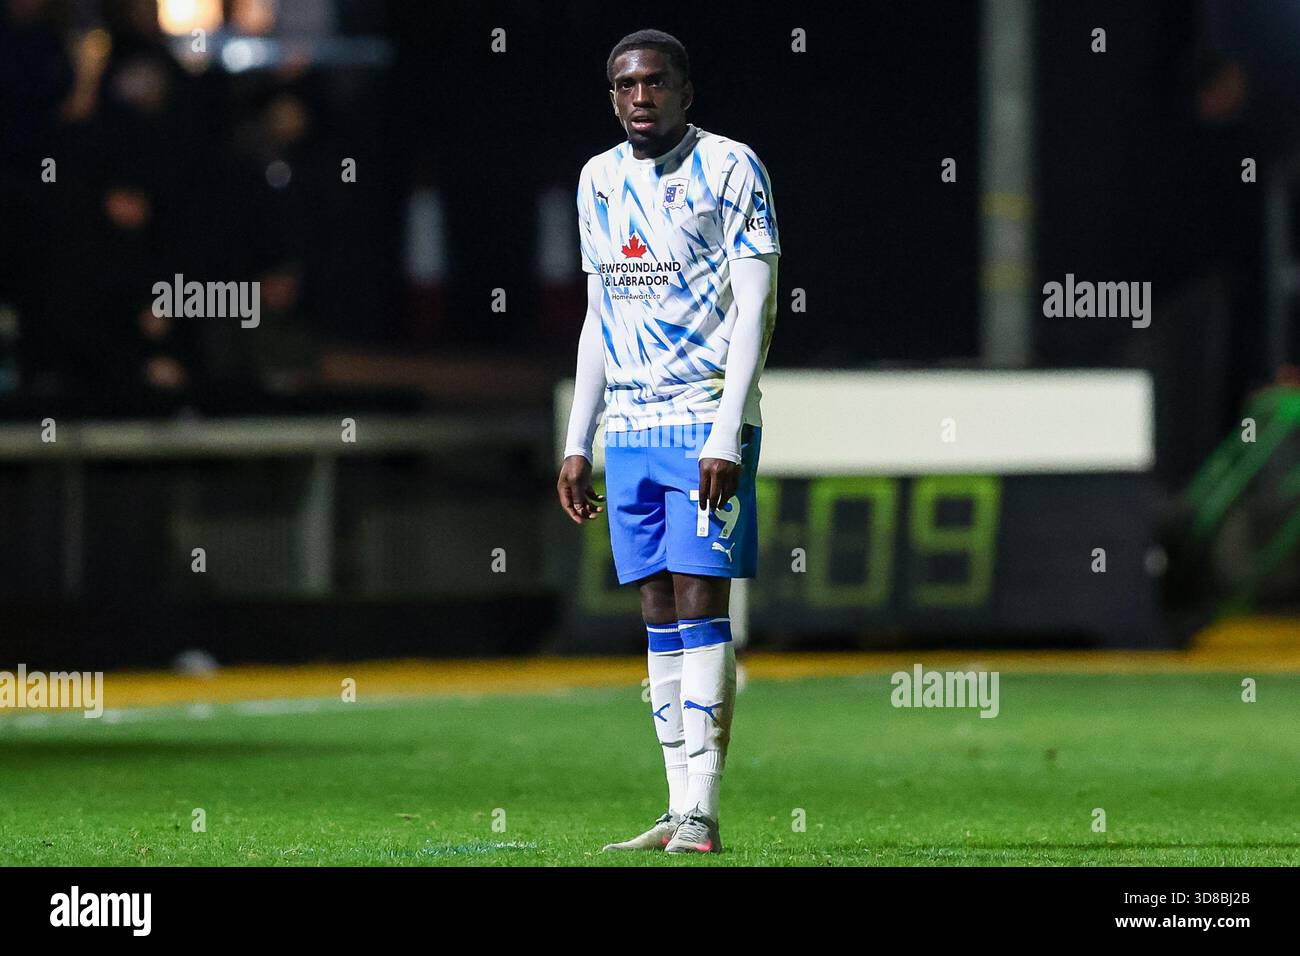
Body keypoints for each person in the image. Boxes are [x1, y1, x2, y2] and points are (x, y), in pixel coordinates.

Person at [556, 29, 780, 854]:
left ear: (686, 90)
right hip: (633, 427)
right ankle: (675, 802)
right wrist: (579, 438)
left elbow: (756, 303)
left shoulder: (730, 168)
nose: (638, 97)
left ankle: (705, 809)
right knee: (655, 609)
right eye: (623, 86)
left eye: (653, 83)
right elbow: (598, 315)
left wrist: (729, 426)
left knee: (700, 601)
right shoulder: (597, 181)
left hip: (703, 419)